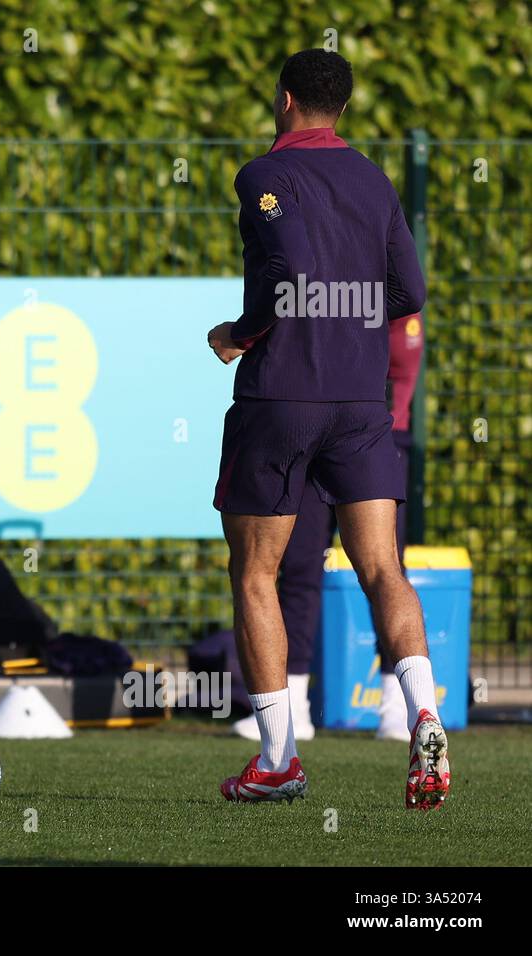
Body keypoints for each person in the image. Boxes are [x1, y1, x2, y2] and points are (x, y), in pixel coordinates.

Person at [207, 51, 448, 808]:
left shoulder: (261, 174)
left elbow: (286, 271)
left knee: (257, 574)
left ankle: (278, 759)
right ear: (340, 108)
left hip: (282, 398)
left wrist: (241, 332)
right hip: (361, 403)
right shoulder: (374, 178)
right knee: (383, 569)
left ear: (283, 100)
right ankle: (425, 713)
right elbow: (409, 289)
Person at [230, 311, 423, 744]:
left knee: (384, 568)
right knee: (299, 568)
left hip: (371, 433)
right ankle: (294, 703)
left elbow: (404, 357)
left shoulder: (379, 278)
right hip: (312, 429)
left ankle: (398, 709)